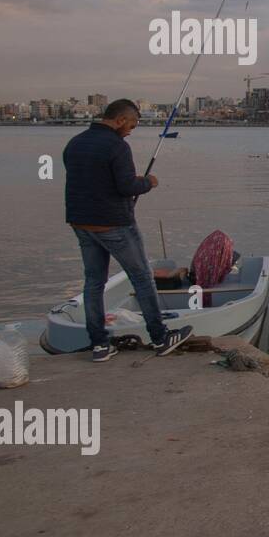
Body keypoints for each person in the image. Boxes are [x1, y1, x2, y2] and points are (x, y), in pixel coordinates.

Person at [63, 99, 192, 361]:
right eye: (131, 125)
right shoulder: (117, 146)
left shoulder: (75, 143)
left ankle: (99, 345)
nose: (131, 130)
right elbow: (126, 186)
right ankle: (160, 338)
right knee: (142, 278)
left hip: (81, 224)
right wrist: (148, 182)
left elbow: (89, 180)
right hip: (114, 225)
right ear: (120, 120)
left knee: (94, 282)